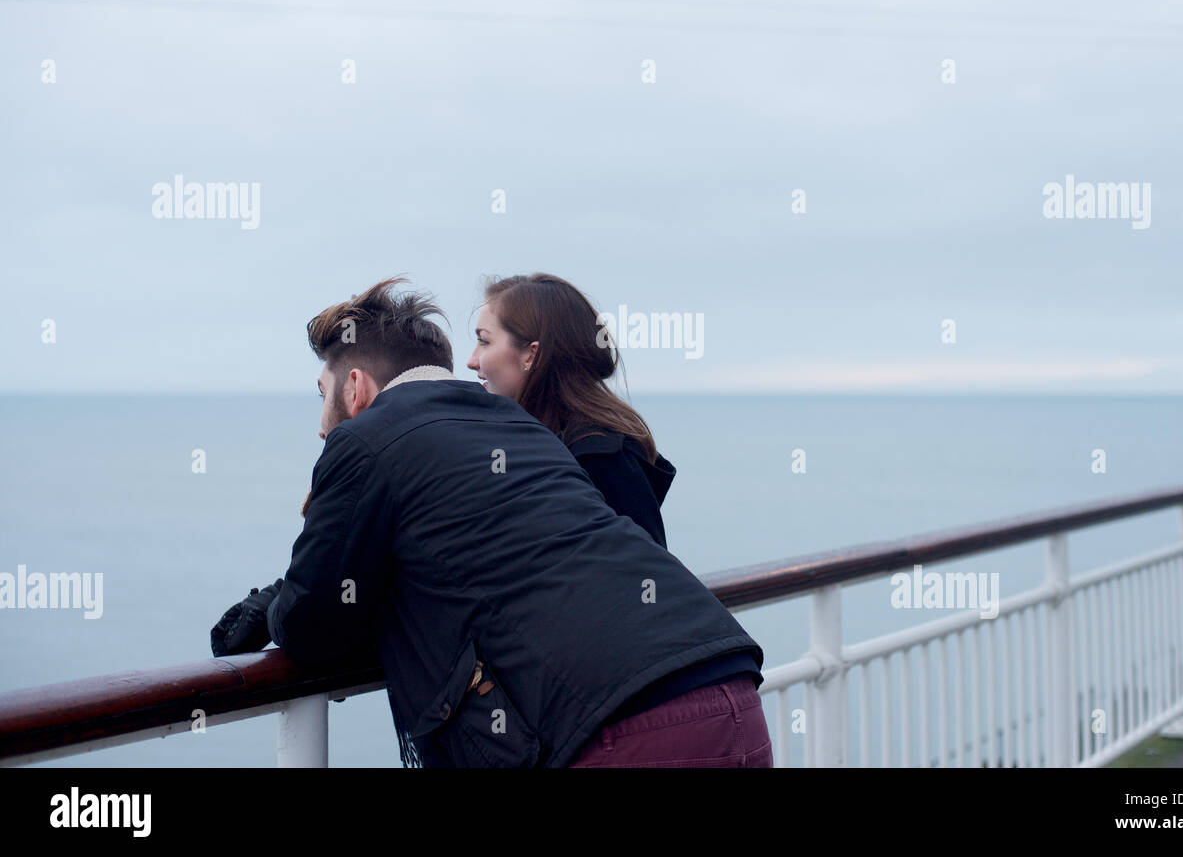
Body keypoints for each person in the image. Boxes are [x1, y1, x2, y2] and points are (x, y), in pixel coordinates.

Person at [209, 277, 771, 768]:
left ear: (355, 388)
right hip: (729, 686)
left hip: (622, 726)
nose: (320, 426)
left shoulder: (363, 439)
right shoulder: (521, 425)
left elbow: (316, 624)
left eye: (322, 394)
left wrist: (273, 607)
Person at [466, 273, 674, 549]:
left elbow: (644, 570)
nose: (471, 361)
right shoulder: (535, 440)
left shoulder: (599, 456)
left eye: (484, 341)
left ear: (531, 354)